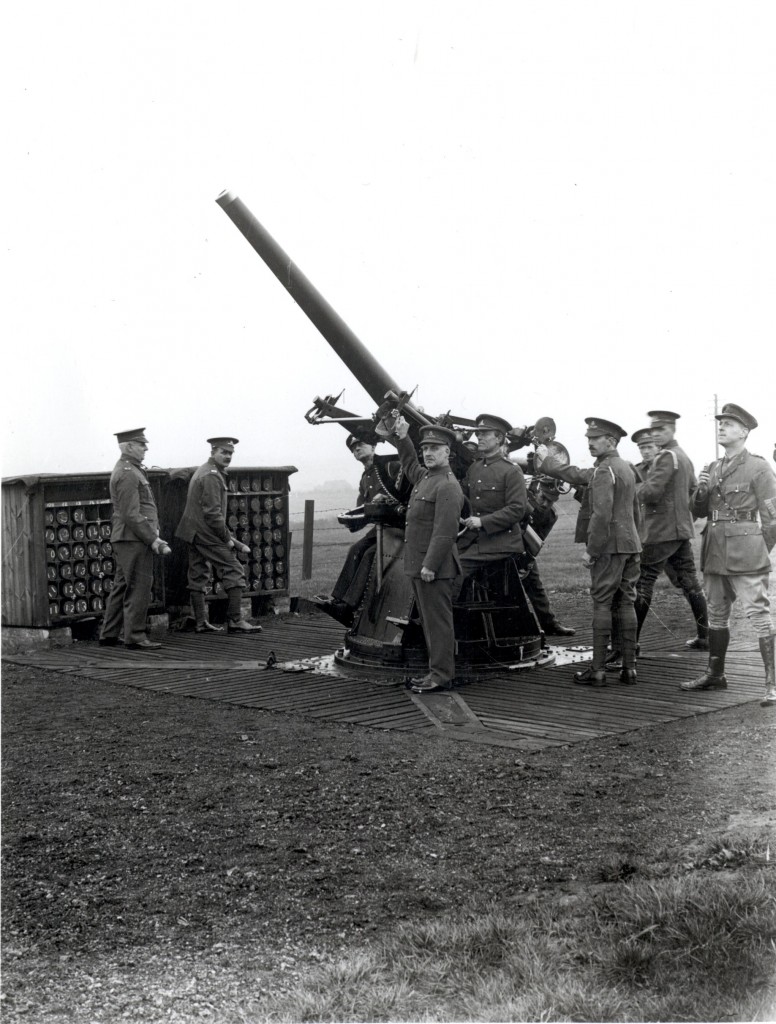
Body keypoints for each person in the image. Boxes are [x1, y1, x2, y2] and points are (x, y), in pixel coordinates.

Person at [680, 404, 776, 705]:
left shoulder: (759, 467)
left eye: (729, 423)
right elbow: (697, 511)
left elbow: (772, 517)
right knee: (717, 613)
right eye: (720, 423)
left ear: (744, 431)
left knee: (758, 615)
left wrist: (761, 549)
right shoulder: (712, 468)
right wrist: (702, 492)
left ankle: (772, 684)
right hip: (715, 551)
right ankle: (715, 674)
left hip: (747, 552)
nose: (721, 427)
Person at [547, 418, 641, 687]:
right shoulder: (626, 468)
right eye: (589, 438)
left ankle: (598, 670)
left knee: (601, 602)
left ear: (610, 441)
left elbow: (601, 516)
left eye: (596, 438)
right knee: (625, 602)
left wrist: (591, 551)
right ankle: (629, 669)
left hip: (609, 547)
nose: (589, 442)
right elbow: (635, 513)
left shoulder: (603, 471)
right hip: (631, 545)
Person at [607, 415, 708, 665]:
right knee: (689, 583)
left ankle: (630, 647)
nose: (655, 435)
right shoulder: (682, 455)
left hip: (660, 532)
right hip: (679, 531)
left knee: (642, 583)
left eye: (661, 429)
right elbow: (693, 489)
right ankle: (705, 636)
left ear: (672, 429)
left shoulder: (666, 457)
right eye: (654, 430)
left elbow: (651, 492)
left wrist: (628, 488)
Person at [392, 417, 464, 694]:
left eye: (435, 448)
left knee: (438, 623)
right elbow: (409, 463)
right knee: (431, 623)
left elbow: (445, 532)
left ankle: (442, 675)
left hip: (435, 568)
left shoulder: (447, 485)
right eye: (425, 449)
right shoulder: (426, 478)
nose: (429, 453)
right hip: (421, 566)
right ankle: (436, 671)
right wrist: (402, 438)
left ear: (447, 452)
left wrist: (430, 565)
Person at [175, 437, 262, 634]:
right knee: (234, 570)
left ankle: (200, 622)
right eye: (224, 452)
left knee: (198, 574)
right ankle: (235, 620)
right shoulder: (212, 476)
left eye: (230, 453)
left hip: (193, 532)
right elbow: (213, 514)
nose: (228, 456)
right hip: (206, 532)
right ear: (213, 451)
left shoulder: (205, 471)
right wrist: (228, 540)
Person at [315, 434, 399, 625]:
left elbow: (404, 491)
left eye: (360, 444)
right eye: (353, 449)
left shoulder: (390, 466)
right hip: (381, 529)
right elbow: (362, 508)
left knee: (370, 554)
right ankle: (339, 600)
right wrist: (350, 518)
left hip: (399, 528)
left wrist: (388, 498)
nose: (357, 450)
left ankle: (349, 606)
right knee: (356, 550)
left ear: (373, 446)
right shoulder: (365, 477)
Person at [99, 428, 171, 650]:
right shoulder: (129, 473)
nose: (146, 448)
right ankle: (136, 637)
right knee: (139, 587)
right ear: (129, 446)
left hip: (128, 538)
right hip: (133, 539)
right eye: (141, 444)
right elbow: (131, 513)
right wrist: (153, 540)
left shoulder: (130, 470)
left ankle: (109, 634)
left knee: (122, 586)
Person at [457, 413, 527, 578]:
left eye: (485, 434)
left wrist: (482, 521)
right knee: (441, 561)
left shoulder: (511, 470)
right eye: (478, 434)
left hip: (500, 541)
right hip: (473, 538)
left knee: (456, 570)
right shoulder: (474, 468)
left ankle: (446, 605)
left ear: (499, 438)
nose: (479, 437)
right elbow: (462, 497)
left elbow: (517, 509)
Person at [520, 479, 576, 637]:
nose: (545, 504)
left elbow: (537, 541)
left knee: (535, 586)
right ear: (536, 492)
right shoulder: (521, 502)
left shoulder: (550, 516)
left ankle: (549, 624)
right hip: (505, 549)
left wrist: (527, 564)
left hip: (525, 552)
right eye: (543, 498)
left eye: (550, 501)